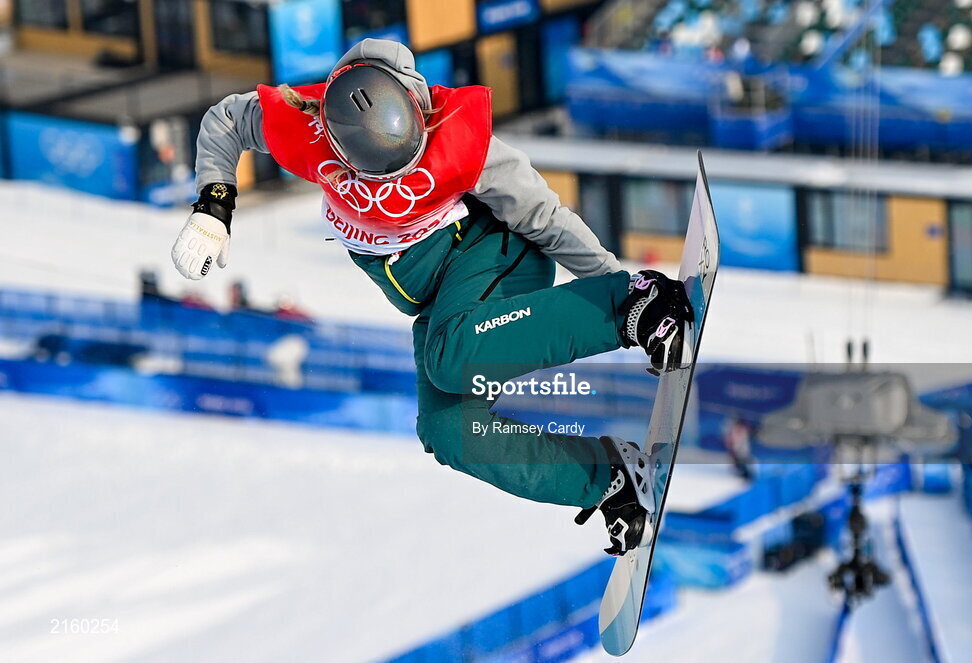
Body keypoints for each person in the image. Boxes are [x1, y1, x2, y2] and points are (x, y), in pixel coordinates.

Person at [170, 39, 694, 556]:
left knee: (452, 359)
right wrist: (214, 205)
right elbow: (226, 120)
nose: (398, 187)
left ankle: (633, 305)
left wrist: (621, 294)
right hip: (441, 300)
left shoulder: (464, 141)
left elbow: (545, 218)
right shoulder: (304, 125)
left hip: (494, 255)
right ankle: (609, 479)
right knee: (447, 432)